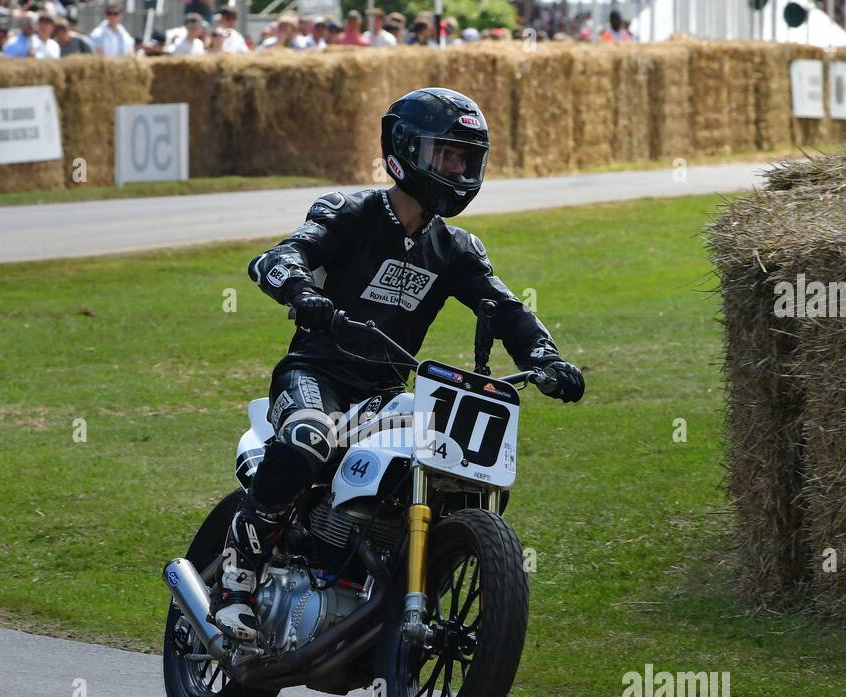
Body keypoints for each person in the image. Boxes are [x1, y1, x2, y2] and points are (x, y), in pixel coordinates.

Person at [217, 88, 585, 641]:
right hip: (318, 374)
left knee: (445, 469)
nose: (458, 170)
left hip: (384, 394)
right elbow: (277, 258)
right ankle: (236, 581)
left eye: (467, 158)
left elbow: (507, 309)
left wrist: (545, 358)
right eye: (447, 155)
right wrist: (302, 293)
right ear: (404, 150)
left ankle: (390, 583)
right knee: (309, 437)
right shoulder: (350, 212)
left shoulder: (457, 249)